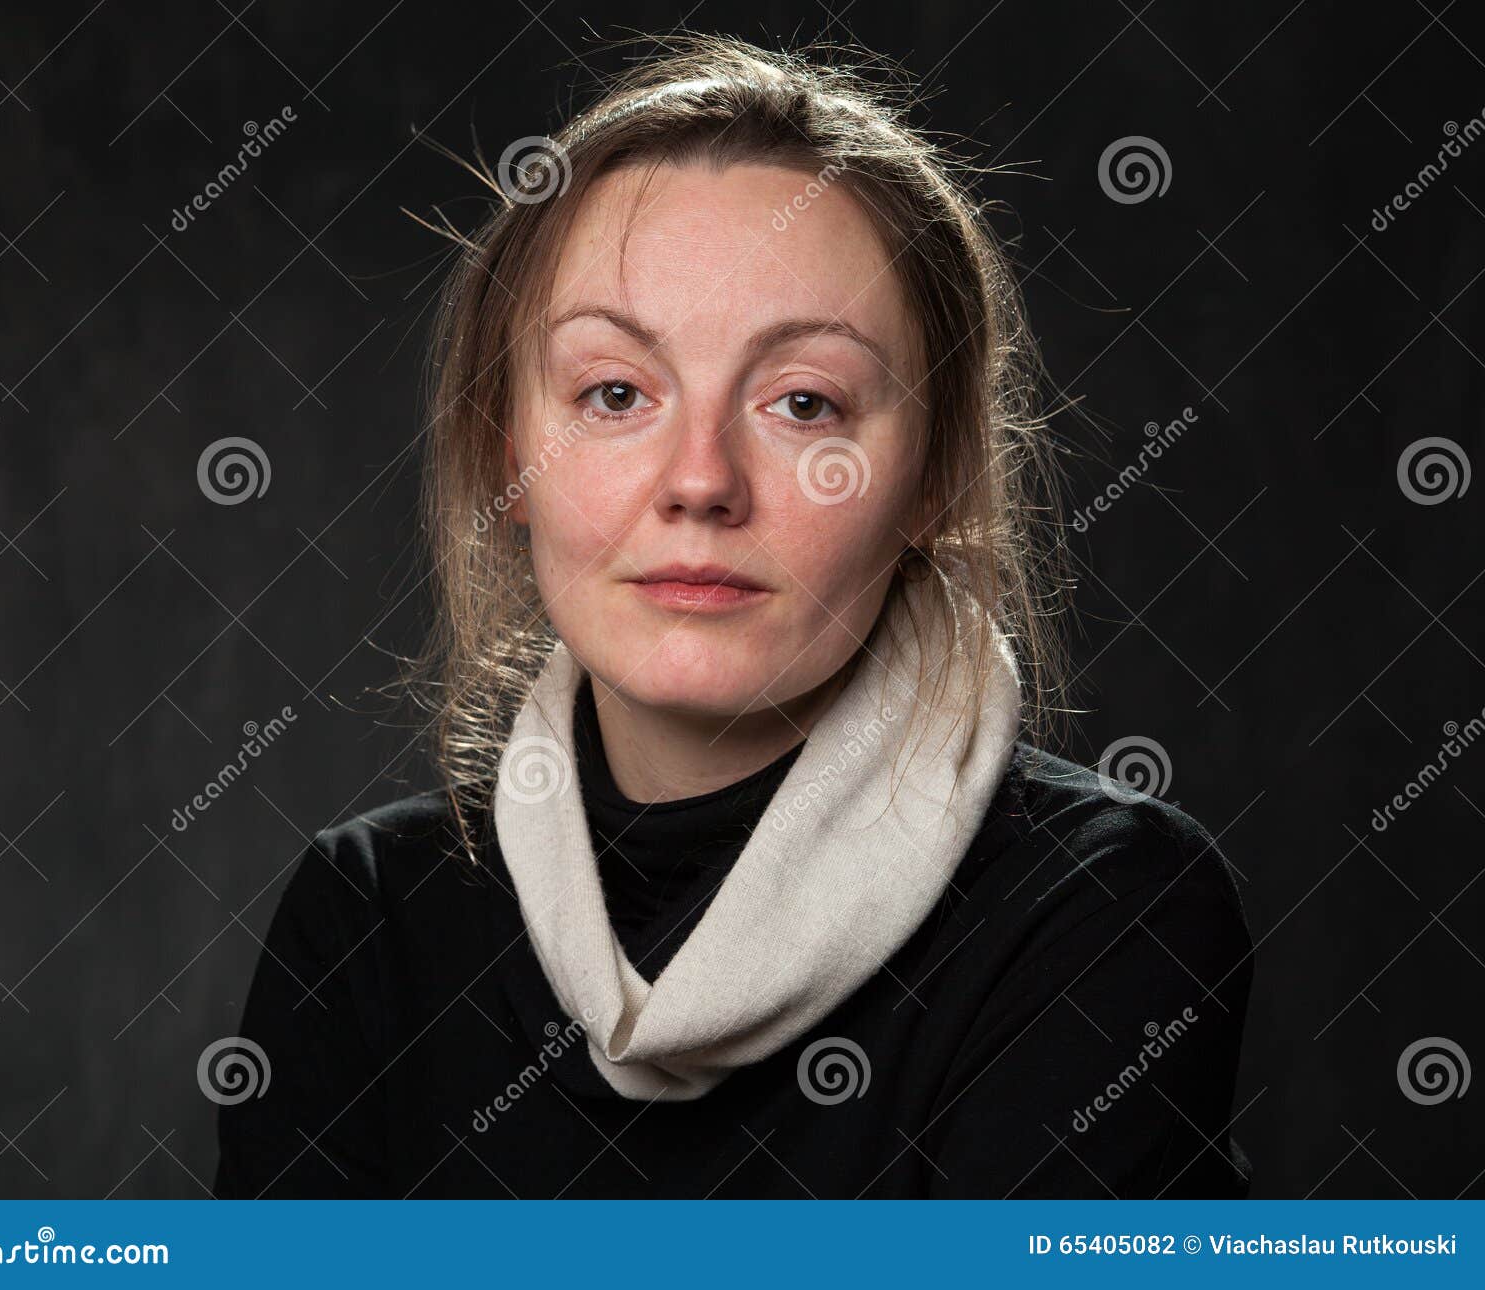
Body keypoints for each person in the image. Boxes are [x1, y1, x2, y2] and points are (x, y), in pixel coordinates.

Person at [212, 32, 1253, 1199]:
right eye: (614, 393)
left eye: (804, 403)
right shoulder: (369, 921)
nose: (699, 479)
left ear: (936, 476)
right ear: (508, 445)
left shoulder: (1102, 913)